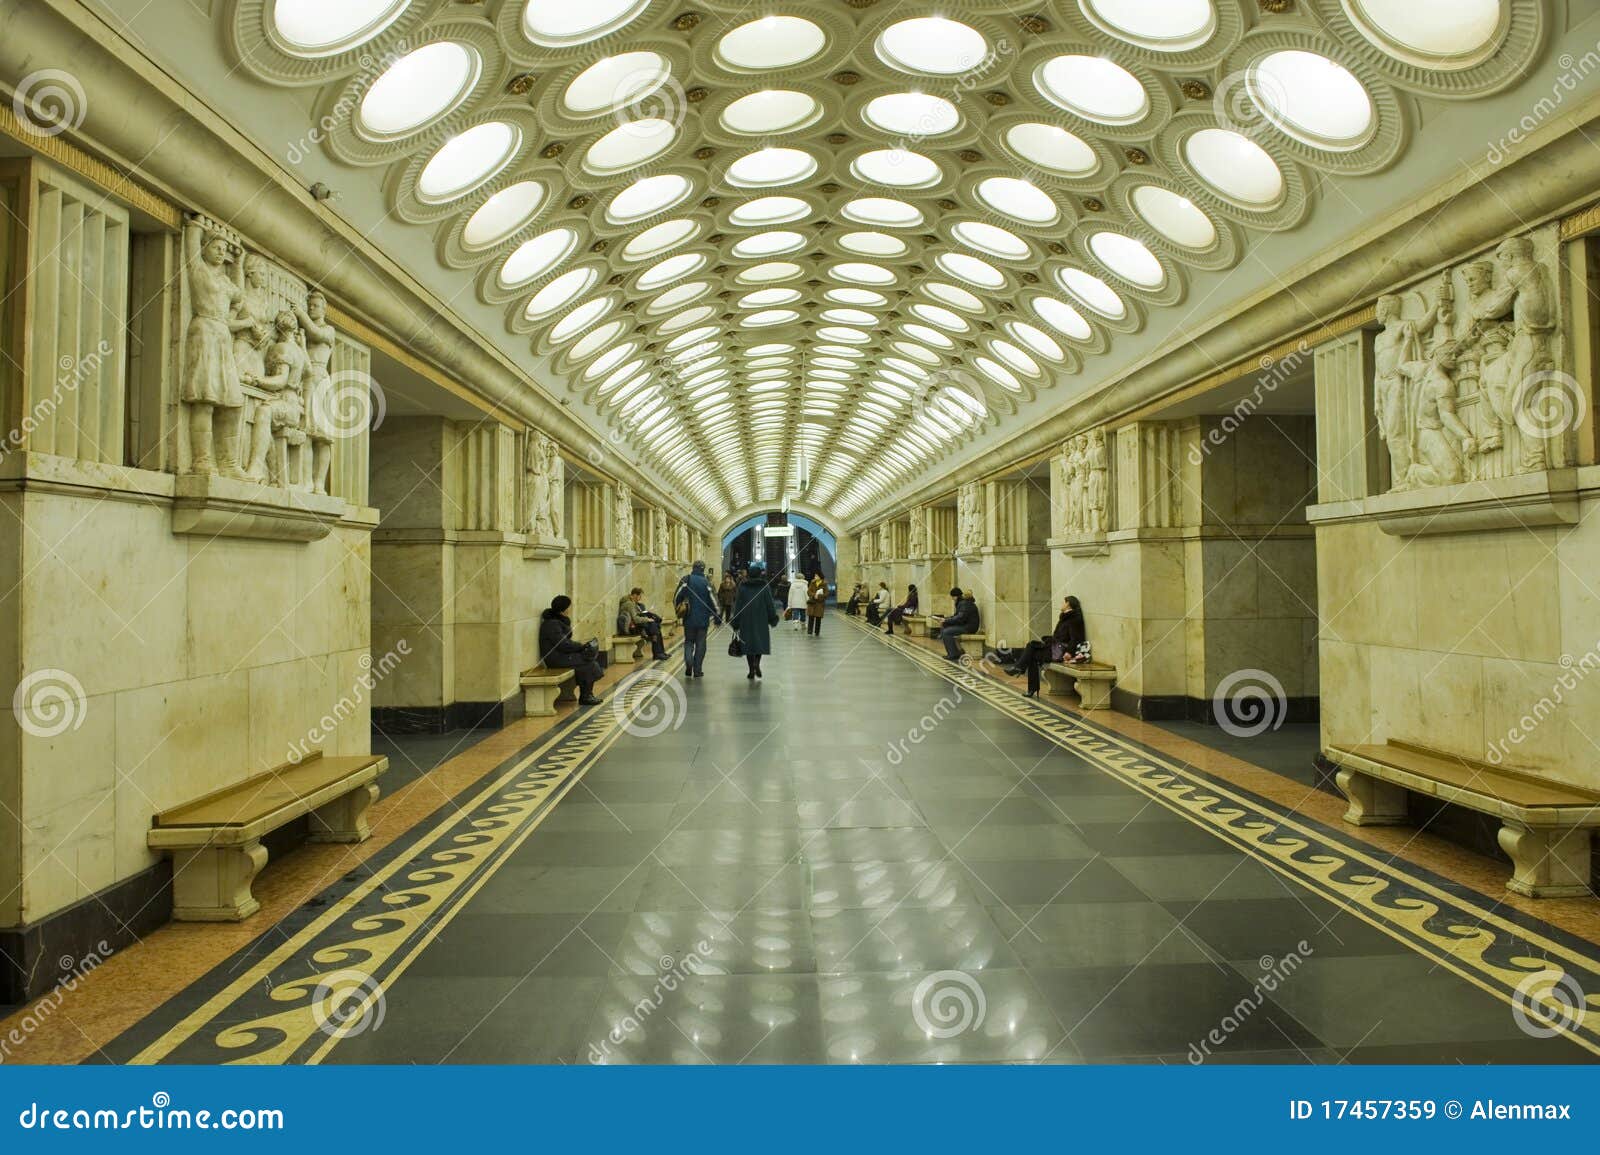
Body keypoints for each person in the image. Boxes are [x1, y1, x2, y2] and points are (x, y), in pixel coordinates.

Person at [1007, 596, 1089, 697]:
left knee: (1031, 646)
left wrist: (1069, 652)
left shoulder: (1074, 619)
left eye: (1063, 602)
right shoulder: (1065, 617)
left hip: (1061, 652)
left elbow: (1075, 638)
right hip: (1055, 648)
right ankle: (1025, 678)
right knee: (1032, 653)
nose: (1061, 604)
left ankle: (1020, 670)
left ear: (1068, 604)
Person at [538, 595, 604, 705]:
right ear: (563, 609)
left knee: (588, 661)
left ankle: (587, 695)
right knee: (588, 663)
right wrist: (581, 647)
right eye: (568, 607)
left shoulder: (555, 622)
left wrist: (580, 647)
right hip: (555, 659)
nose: (570, 609)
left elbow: (564, 643)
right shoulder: (552, 624)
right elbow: (563, 644)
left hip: (560, 655)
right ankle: (586, 696)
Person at [731, 563, 781, 680]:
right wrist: (772, 618)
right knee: (760, 642)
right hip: (761, 619)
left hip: (746, 620)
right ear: (759, 574)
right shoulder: (764, 586)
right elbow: (769, 604)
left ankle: (751, 670)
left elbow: (738, 605)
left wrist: (736, 621)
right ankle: (757, 664)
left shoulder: (743, 587)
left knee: (748, 644)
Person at [673, 560, 721, 678]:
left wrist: (678, 609)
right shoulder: (707, 583)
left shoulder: (686, 579)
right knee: (701, 644)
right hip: (703, 619)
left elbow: (676, 597)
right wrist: (717, 616)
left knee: (689, 642)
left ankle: (689, 663)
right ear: (703, 569)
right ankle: (697, 670)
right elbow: (714, 601)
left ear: (693, 568)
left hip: (688, 618)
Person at [617, 587, 667, 661]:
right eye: (639, 596)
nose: (640, 598)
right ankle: (658, 653)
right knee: (654, 627)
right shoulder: (629, 604)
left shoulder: (633, 603)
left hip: (636, 625)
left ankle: (660, 652)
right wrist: (647, 619)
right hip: (633, 628)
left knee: (655, 627)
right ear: (634, 595)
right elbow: (636, 619)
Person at [934, 587, 981, 662]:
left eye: (952, 597)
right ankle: (956, 651)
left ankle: (953, 654)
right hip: (966, 625)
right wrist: (946, 620)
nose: (952, 599)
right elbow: (957, 616)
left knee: (947, 632)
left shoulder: (964, 604)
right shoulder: (964, 603)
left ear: (955, 596)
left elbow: (960, 618)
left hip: (969, 627)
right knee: (945, 627)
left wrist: (946, 620)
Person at [806, 572, 827, 636]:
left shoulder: (824, 584)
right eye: (815, 576)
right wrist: (814, 595)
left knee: (818, 618)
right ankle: (810, 631)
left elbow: (826, 594)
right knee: (811, 617)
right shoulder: (812, 583)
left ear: (820, 577)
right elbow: (808, 591)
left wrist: (819, 596)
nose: (815, 577)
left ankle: (817, 632)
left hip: (819, 603)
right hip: (812, 602)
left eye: (816, 576)